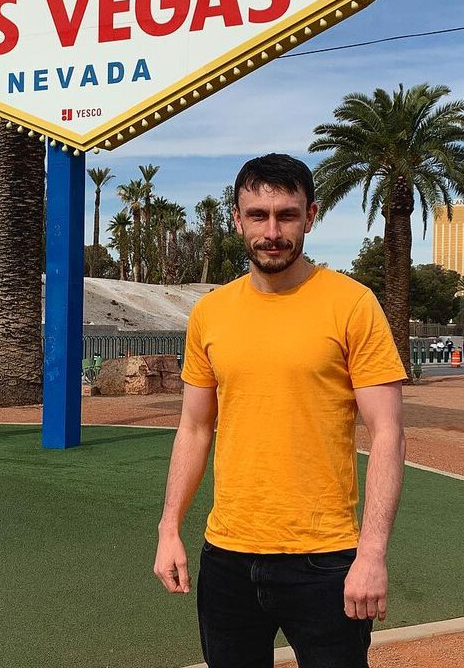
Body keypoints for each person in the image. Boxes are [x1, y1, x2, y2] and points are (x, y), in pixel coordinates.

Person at [153, 153, 406, 668]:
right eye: (258, 215)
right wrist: (168, 528)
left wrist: (372, 553)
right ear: (237, 219)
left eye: (287, 215)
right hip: (227, 557)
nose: (272, 232)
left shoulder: (353, 304)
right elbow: (195, 428)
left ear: (310, 216)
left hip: (325, 559)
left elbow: (388, 433)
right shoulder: (210, 313)